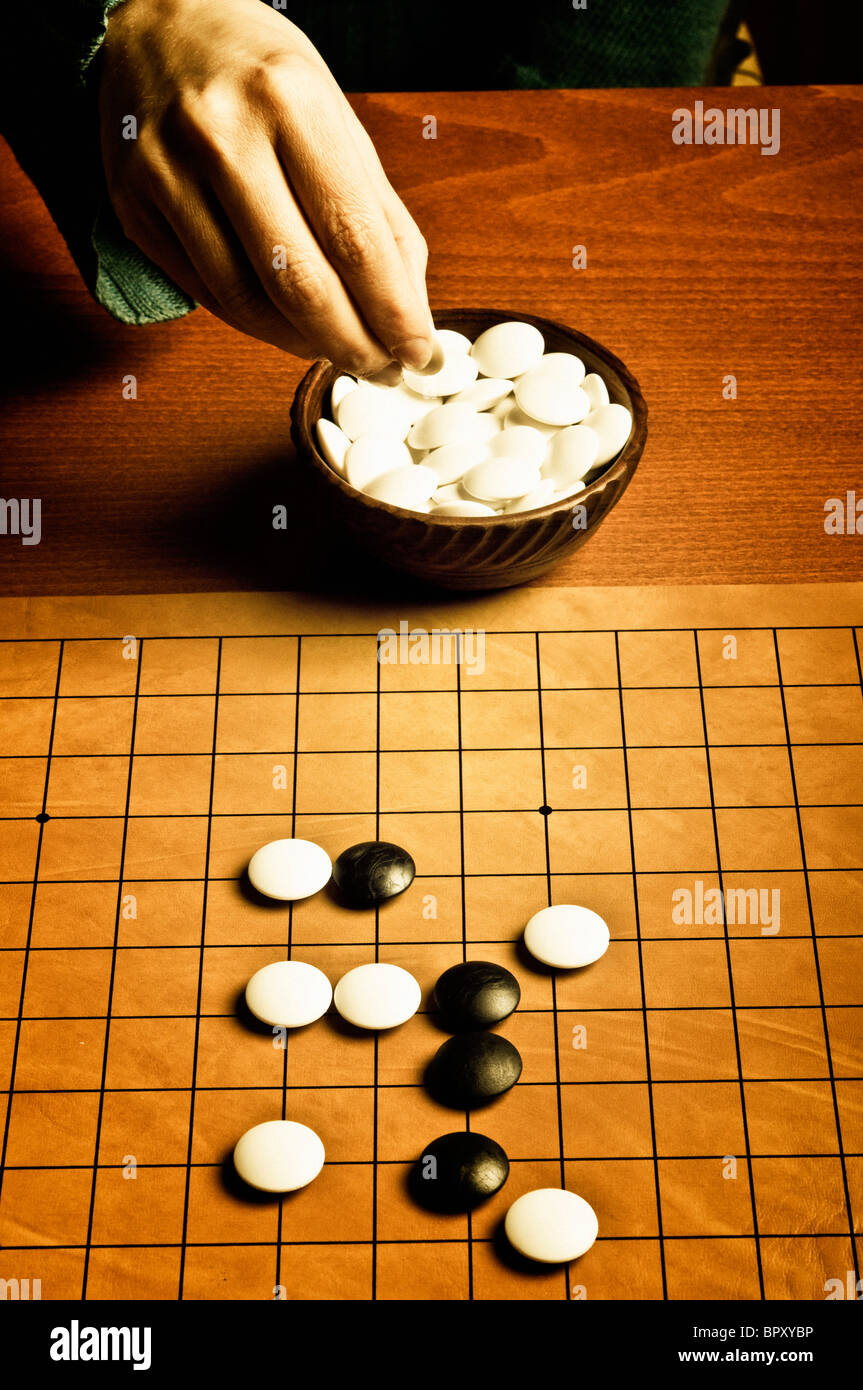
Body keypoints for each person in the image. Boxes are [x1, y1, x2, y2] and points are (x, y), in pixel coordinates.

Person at [2, 0, 739, 374]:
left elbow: (615, 71)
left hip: (547, 144)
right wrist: (127, 9)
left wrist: (570, 121)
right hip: (153, 150)